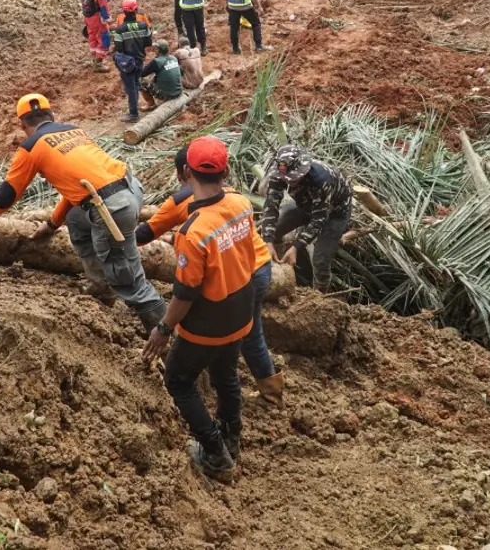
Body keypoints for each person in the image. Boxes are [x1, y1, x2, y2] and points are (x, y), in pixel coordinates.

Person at [0, 94, 167, 329]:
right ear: (52, 116)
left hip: (111, 208)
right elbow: (79, 191)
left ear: (22, 124)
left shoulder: (31, 147)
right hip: (130, 189)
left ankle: (165, 335)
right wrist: (52, 224)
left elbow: (5, 198)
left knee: (129, 280)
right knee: (76, 219)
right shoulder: (74, 130)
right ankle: (101, 286)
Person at [142, 136, 258, 483]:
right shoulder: (241, 203)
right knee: (225, 376)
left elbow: (185, 294)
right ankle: (231, 438)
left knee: (177, 380)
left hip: (208, 321)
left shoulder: (193, 232)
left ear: (186, 171)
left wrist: (163, 329)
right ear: (227, 171)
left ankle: (215, 454)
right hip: (242, 309)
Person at [136, 146, 283, 405]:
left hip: (240, 272)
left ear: (184, 173)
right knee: (246, 331)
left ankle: (267, 395)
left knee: (241, 331)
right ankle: (261, 388)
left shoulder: (181, 200)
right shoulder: (230, 195)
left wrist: (118, 237)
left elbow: (146, 233)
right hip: (257, 265)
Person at [259, 145, 352, 292]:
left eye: (294, 179)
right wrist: (268, 241)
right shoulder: (278, 173)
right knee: (274, 231)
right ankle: (276, 260)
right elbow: (271, 206)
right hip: (304, 205)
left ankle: (318, 297)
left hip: (334, 213)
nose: (290, 182)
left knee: (320, 260)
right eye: (287, 179)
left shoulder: (321, 179)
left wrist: (297, 247)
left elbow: (319, 220)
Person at [110, 0, 153, 123]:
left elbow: (118, 47)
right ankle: (137, 107)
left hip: (127, 62)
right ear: (136, 10)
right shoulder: (143, 26)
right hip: (139, 59)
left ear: (124, 12)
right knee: (135, 83)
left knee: (131, 87)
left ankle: (133, 114)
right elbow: (148, 42)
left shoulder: (120, 29)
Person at [80, 0, 112, 71]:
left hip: (88, 17)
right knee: (104, 38)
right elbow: (103, 7)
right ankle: (99, 64)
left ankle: (94, 59)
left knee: (92, 37)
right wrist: (108, 20)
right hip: (97, 18)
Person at [140, 40, 183, 108]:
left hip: (167, 95)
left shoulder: (157, 61)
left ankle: (151, 104)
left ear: (158, 50)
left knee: (139, 80)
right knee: (157, 74)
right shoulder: (173, 58)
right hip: (178, 92)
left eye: (155, 48)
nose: (154, 49)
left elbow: (142, 73)